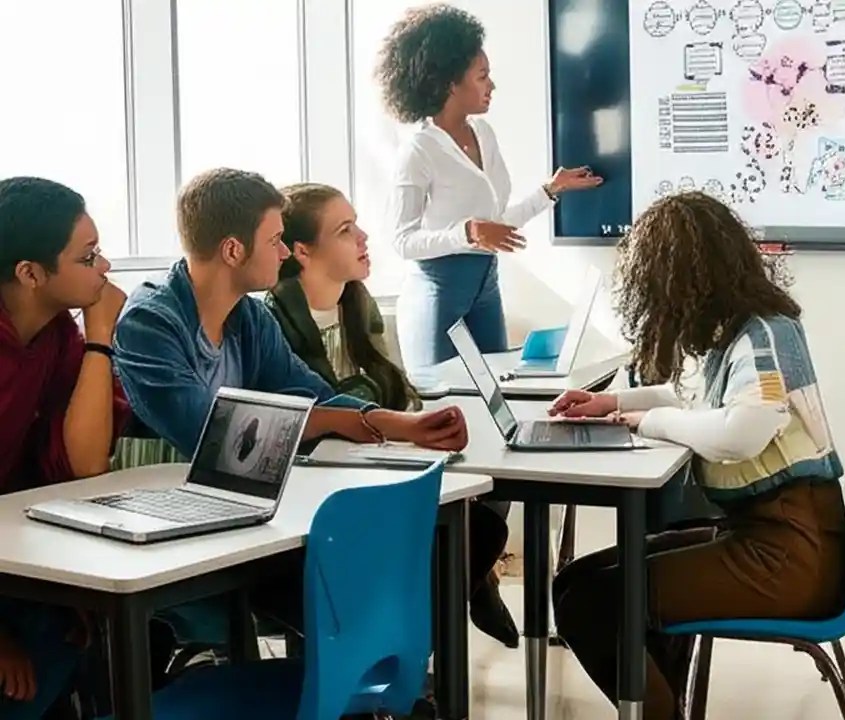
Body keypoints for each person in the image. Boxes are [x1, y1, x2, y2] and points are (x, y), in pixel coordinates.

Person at [113, 168, 470, 639]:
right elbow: (205, 430)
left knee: (409, 554)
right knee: (349, 573)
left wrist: (403, 425)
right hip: (166, 528)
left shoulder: (247, 315)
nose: (284, 254)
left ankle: (364, 676)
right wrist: (333, 420)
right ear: (233, 250)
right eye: (274, 241)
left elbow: (308, 389)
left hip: (237, 509)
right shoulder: (149, 322)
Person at [548, 192, 845, 720]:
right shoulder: (745, 329)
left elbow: (742, 432)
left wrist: (649, 421)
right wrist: (614, 403)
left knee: (594, 603)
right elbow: (698, 397)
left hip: (788, 558)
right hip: (771, 538)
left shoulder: (764, 335)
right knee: (574, 584)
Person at [264, 182, 518, 648]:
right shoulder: (270, 321)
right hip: (320, 489)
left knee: (486, 500)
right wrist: (386, 417)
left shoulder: (358, 305)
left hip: (372, 463)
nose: (363, 238)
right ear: (301, 250)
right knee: (469, 524)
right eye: (345, 230)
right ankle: (418, 635)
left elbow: (392, 395)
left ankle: (413, 645)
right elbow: (323, 408)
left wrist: (409, 423)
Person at [376, 3, 602, 383]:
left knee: (497, 391)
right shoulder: (418, 150)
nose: (491, 86)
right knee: (447, 400)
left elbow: (495, 225)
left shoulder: (483, 134)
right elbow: (402, 240)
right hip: (438, 293)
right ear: (450, 83)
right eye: (482, 76)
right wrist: (467, 233)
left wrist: (551, 190)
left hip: (486, 285)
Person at [0, 177, 130, 719]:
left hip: (15, 551)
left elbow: (85, 463)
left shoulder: (57, 334)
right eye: (88, 257)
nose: (105, 267)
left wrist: (99, 337)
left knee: (77, 630)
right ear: (30, 274)